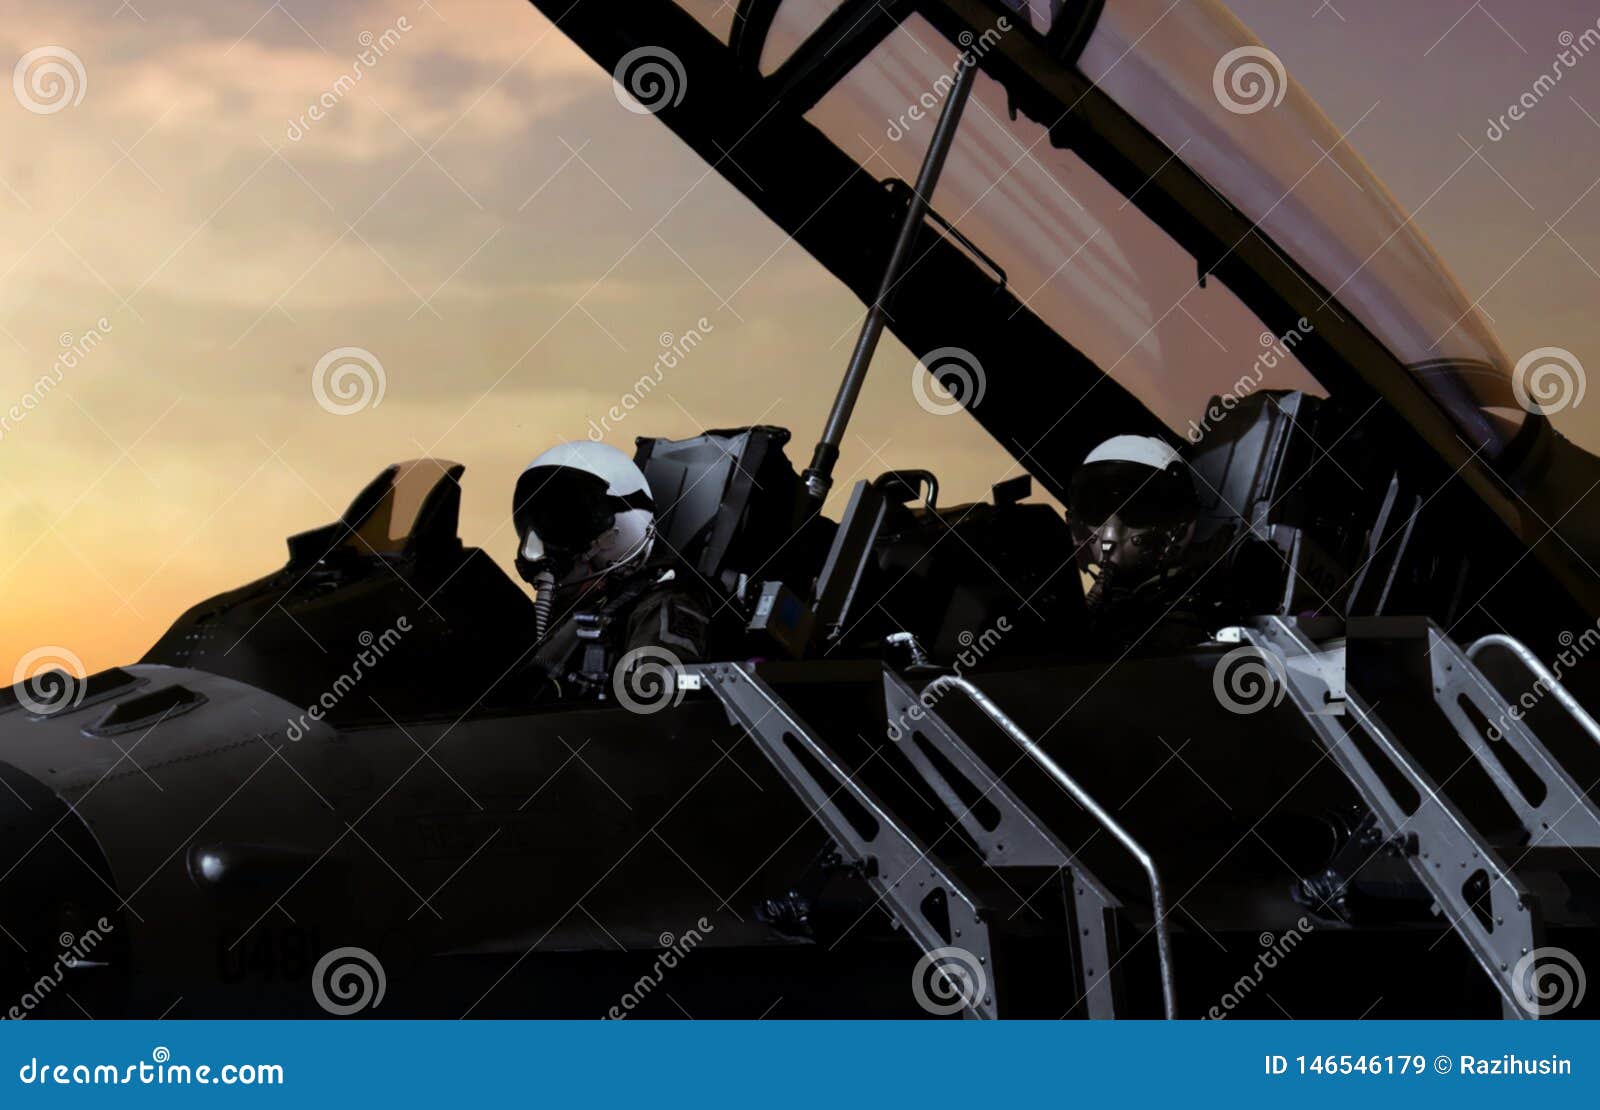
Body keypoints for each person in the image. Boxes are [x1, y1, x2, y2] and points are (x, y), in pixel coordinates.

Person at [512, 442, 713, 698]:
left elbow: (653, 710)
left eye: (565, 525)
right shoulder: (574, 610)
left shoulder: (665, 604)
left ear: (617, 533)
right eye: (541, 523)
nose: (539, 545)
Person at [1067, 434, 1207, 652]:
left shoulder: (1186, 622)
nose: (1111, 534)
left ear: (1179, 527)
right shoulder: (1097, 615)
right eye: (1096, 509)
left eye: (1138, 511)